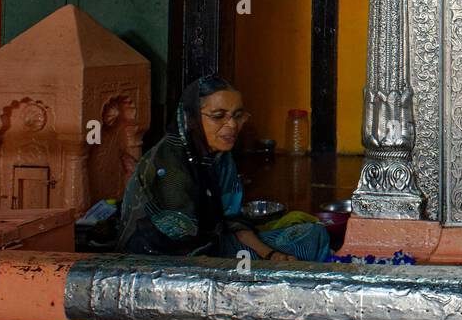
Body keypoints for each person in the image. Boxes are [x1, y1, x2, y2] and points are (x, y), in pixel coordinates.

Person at [116, 75, 332, 262]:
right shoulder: (169, 165)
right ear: (191, 118)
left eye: (238, 116)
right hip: (166, 263)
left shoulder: (219, 156)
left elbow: (231, 220)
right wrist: (247, 266)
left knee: (313, 235)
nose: (232, 125)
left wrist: (271, 256)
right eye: (218, 116)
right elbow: (185, 248)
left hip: (216, 247)